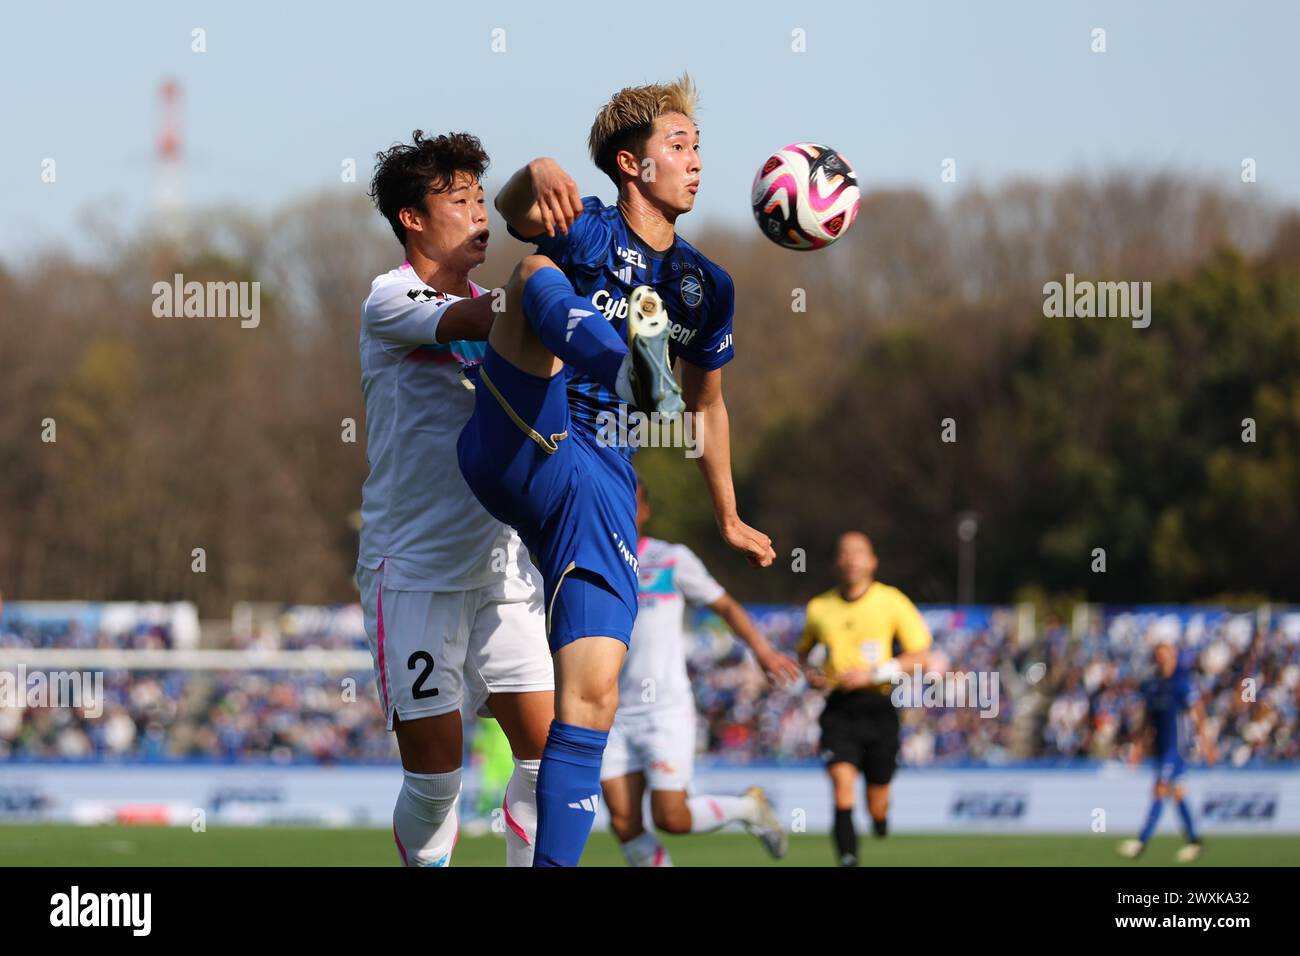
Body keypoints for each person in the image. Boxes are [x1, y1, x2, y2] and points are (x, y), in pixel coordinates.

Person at [458, 73, 774, 866]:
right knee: (532, 273)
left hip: (597, 479)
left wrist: (730, 515)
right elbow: (516, 212)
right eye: (679, 146)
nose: (697, 161)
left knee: (590, 698)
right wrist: (534, 168)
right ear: (632, 165)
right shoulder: (591, 231)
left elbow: (707, 407)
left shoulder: (708, 287)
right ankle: (621, 360)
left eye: (699, 147)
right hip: (526, 421)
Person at [357, 130, 554, 866]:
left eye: (482, 198)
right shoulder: (392, 298)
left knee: (547, 760)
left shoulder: (496, 302)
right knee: (437, 782)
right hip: (414, 572)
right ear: (413, 218)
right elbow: (481, 320)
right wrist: (558, 294)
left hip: (502, 572)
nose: (479, 213)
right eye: (461, 200)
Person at [601, 481, 800, 866]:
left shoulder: (670, 558)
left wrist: (762, 650)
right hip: (612, 713)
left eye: (632, 502)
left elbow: (724, 605)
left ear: (645, 511)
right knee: (624, 821)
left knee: (671, 817)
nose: (622, 510)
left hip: (664, 709)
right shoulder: (596, 558)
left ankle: (747, 808)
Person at [799, 532, 933, 866]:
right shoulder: (819, 608)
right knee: (841, 786)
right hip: (839, 709)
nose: (851, 559)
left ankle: (880, 818)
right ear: (835, 563)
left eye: (858, 553)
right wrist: (812, 675)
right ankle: (848, 860)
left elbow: (921, 657)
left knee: (877, 802)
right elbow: (805, 655)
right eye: (844, 553)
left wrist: (872, 674)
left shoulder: (891, 601)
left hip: (878, 707)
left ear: (872, 561)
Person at [1117, 635, 1217, 862]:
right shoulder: (1153, 685)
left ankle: (1140, 842)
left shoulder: (1181, 682)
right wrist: (1138, 748)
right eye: (1158, 655)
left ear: (1173, 655)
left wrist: (1207, 743)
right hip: (1161, 748)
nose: (1161, 659)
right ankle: (1194, 843)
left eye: (1165, 654)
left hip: (1177, 747)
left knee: (1160, 789)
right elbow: (1147, 721)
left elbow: (1197, 712)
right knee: (1178, 793)